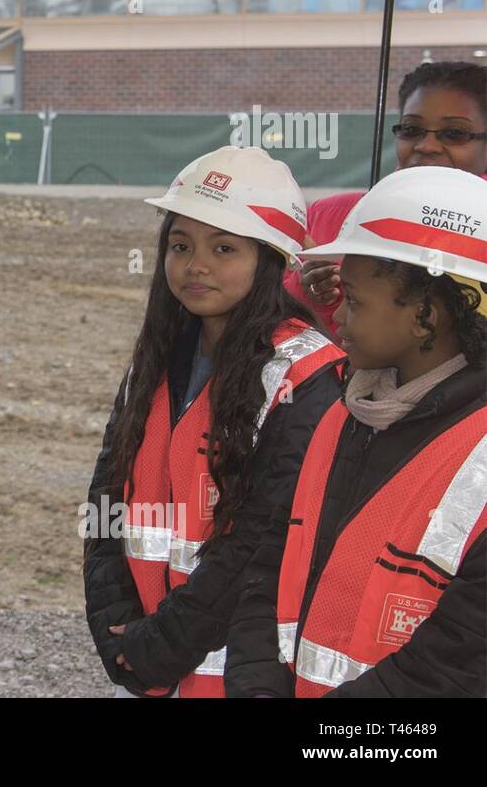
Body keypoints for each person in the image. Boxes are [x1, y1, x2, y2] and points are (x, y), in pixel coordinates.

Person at [85, 146, 345, 698]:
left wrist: (161, 643)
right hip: (146, 654)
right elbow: (105, 500)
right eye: (180, 246)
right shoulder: (155, 364)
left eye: (223, 248)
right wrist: (117, 630)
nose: (195, 265)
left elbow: (260, 539)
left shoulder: (305, 374)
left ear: (271, 259)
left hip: (227, 669)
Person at [226, 166, 486, 697]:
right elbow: (268, 570)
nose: (336, 314)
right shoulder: (342, 414)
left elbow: (454, 663)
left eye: (356, 300)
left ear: (425, 317)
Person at [289, 61, 487, 335]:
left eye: (454, 133)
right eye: (411, 130)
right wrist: (310, 295)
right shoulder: (329, 217)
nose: (426, 145)